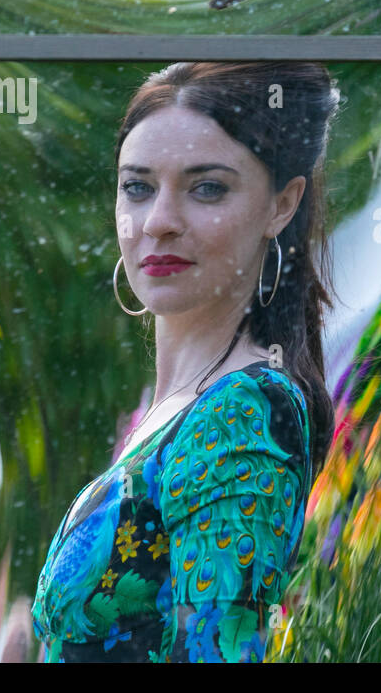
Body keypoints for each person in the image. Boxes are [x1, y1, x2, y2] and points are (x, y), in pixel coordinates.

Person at [32, 61, 337, 662]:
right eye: (138, 187)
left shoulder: (244, 410)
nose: (159, 222)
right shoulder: (179, 406)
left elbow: (217, 651)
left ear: (282, 205)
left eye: (207, 188)